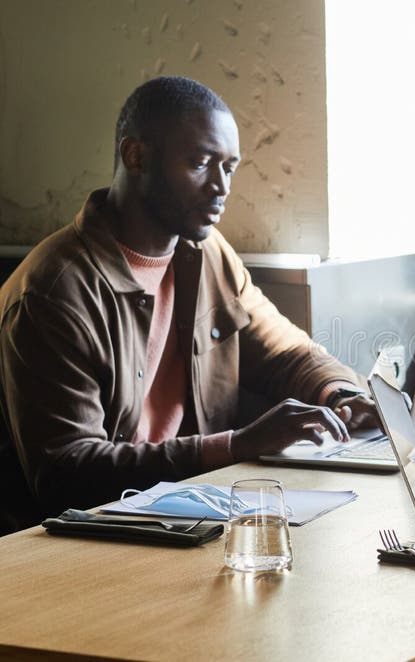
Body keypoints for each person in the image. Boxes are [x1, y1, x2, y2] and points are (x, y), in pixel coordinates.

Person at [0, 76, 378, 535]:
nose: (220, 186)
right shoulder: (53, 290)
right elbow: (66, 473)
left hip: (196, 520)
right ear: (135, 156)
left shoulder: (207, 253)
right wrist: (236, 445)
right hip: (89, 540)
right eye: (200, 163)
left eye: (229, 167)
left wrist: (339, 395)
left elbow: (286, 352)